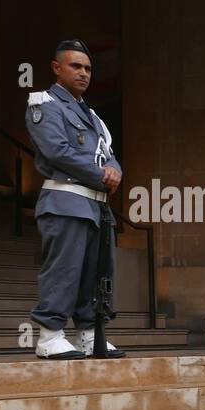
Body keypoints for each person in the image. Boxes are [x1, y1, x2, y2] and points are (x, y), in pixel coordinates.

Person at [25, 39, 126, 359]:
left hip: (97, 206)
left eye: (88, 68)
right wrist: (102, 175)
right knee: (64, 270)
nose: (83, 73)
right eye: (75, 66)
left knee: (96, 273)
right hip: (66, 199)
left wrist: (114, 170)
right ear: (56, 68)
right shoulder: (44, 104)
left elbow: (109, 155)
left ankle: (88, 333)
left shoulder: (93, 116)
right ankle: (49, 335)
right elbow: (57, 151)